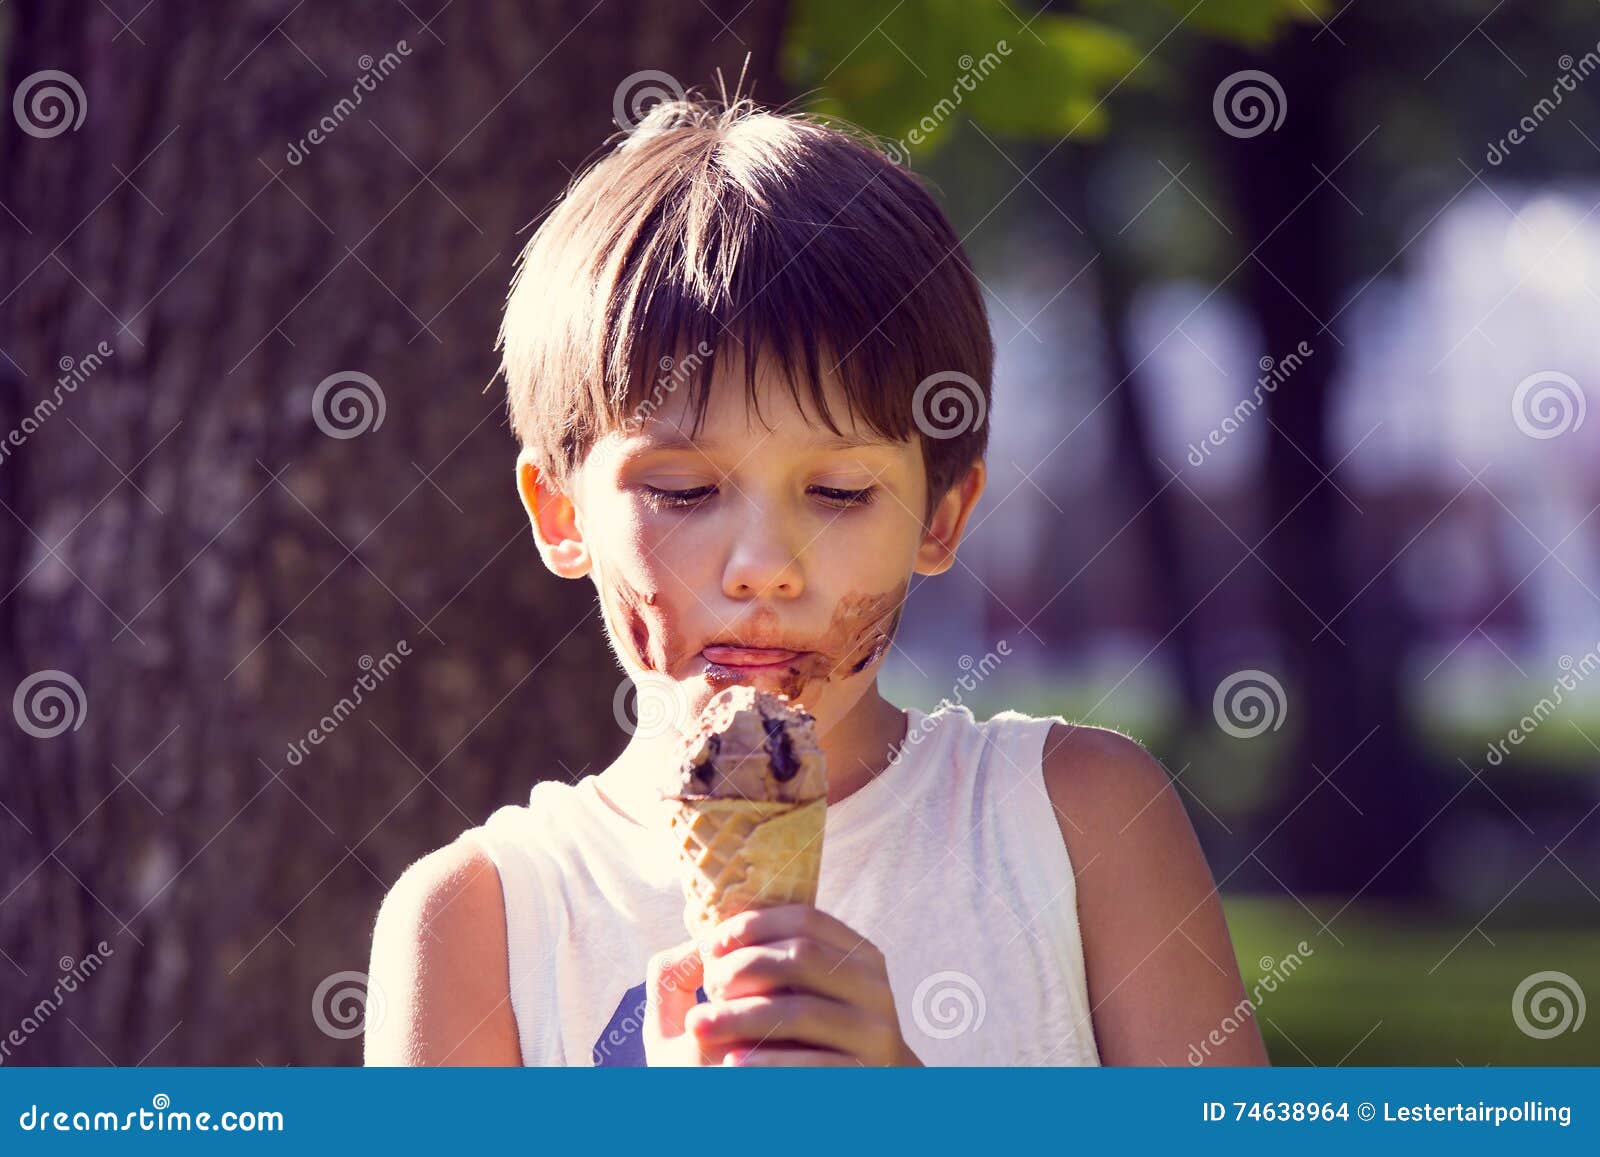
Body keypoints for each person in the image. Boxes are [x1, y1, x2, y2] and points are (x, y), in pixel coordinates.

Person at [364, 91, 1267, 1068]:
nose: (762, 567)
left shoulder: (1079, 820)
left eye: (838, 490)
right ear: (559, 513)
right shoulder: (487, 919)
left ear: (943, 514)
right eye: (679, 488)